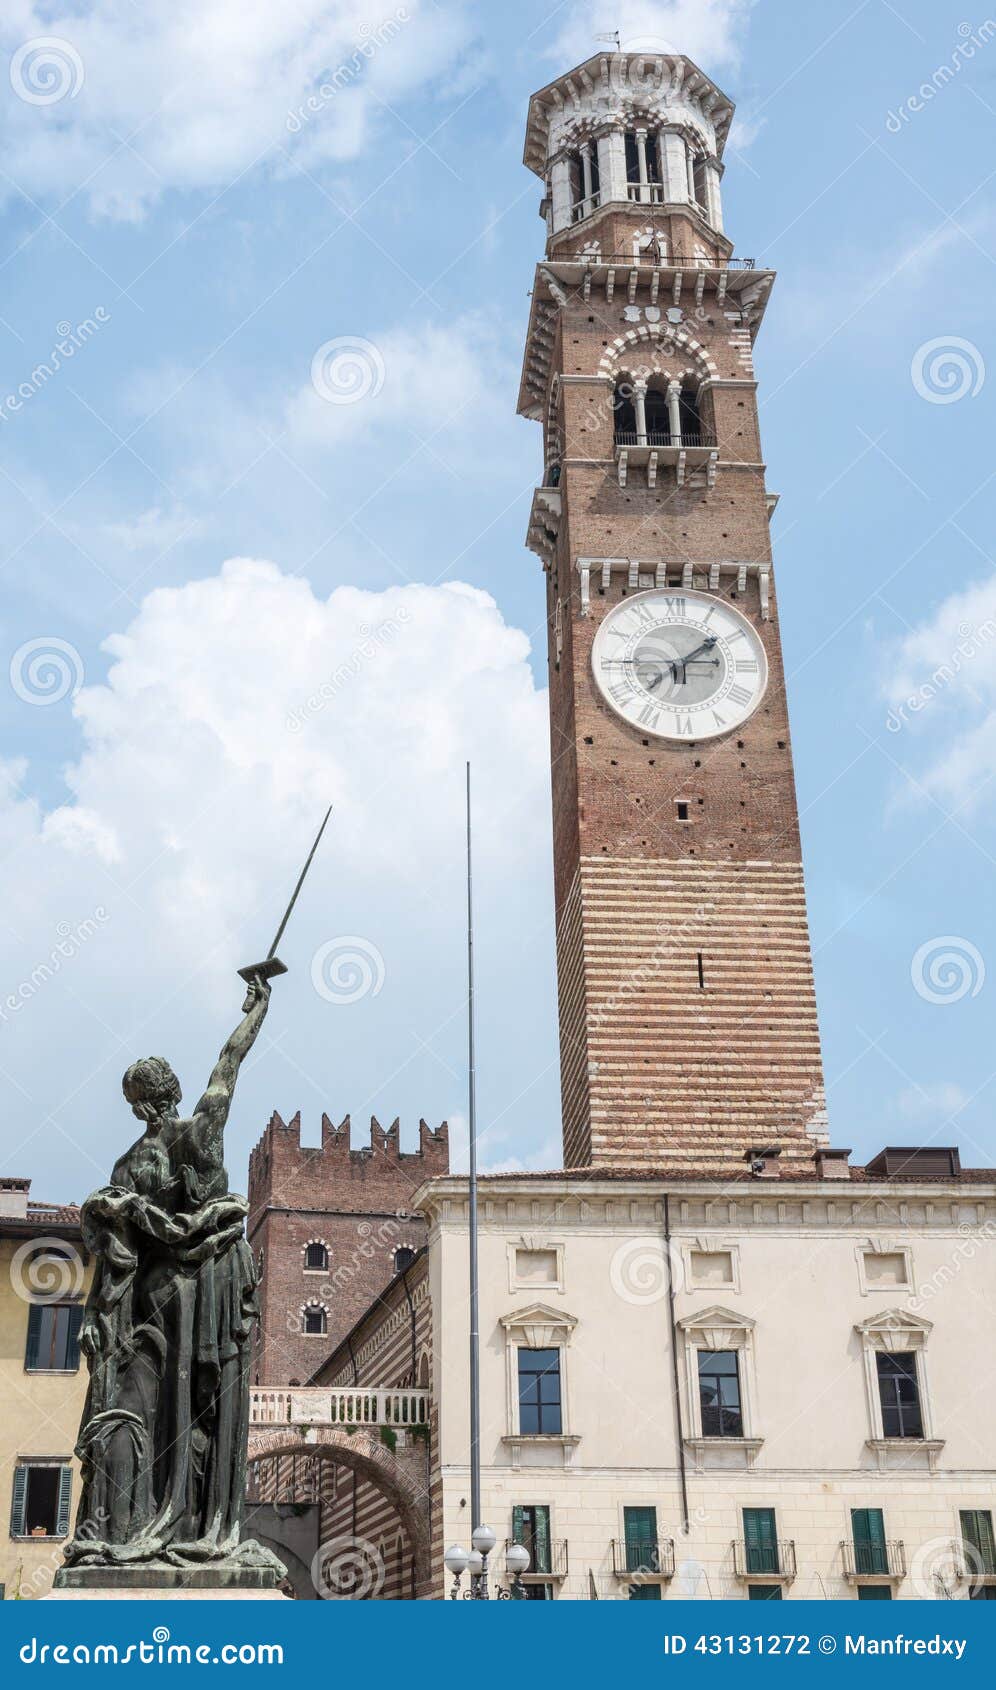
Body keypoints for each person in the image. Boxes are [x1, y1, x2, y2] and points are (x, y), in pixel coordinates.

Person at [63, 978, 282, 1574]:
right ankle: (206, 1525)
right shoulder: (201, 1129)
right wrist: (258, 1010)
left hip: (159, 1296)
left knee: (164, 1408)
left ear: (136, 1106)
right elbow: (229, 1062)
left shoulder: (127, 1164)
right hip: (209, 1281)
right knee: (204, 1406)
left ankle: (154, 1521)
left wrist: (95, 1316)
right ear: (174, 1092)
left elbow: (116, 1258)